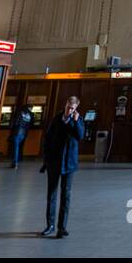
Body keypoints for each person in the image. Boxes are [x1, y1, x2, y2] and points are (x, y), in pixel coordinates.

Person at [41, 96, 85, 236]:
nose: (69, 110)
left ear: (75, 108)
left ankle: (62, 227)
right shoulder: (56, 119)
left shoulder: (78, 120)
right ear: (65, 105)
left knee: (66, 195)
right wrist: (47, 158)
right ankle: (50, 225)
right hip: (54, 162)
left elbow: (80, 136)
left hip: (69, 163)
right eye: (68, 107)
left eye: (72, 108)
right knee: (52, 195)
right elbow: (47, 138)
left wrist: (76, 122)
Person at [9, 104, 33, 169]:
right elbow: (29, 125)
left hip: (17, 132)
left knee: (15, 148)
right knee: (18, 147)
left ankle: (15, 163)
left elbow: (15, 123)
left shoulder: (20, 113)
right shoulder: (29, 115)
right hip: (23, 133)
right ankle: (16, 161)